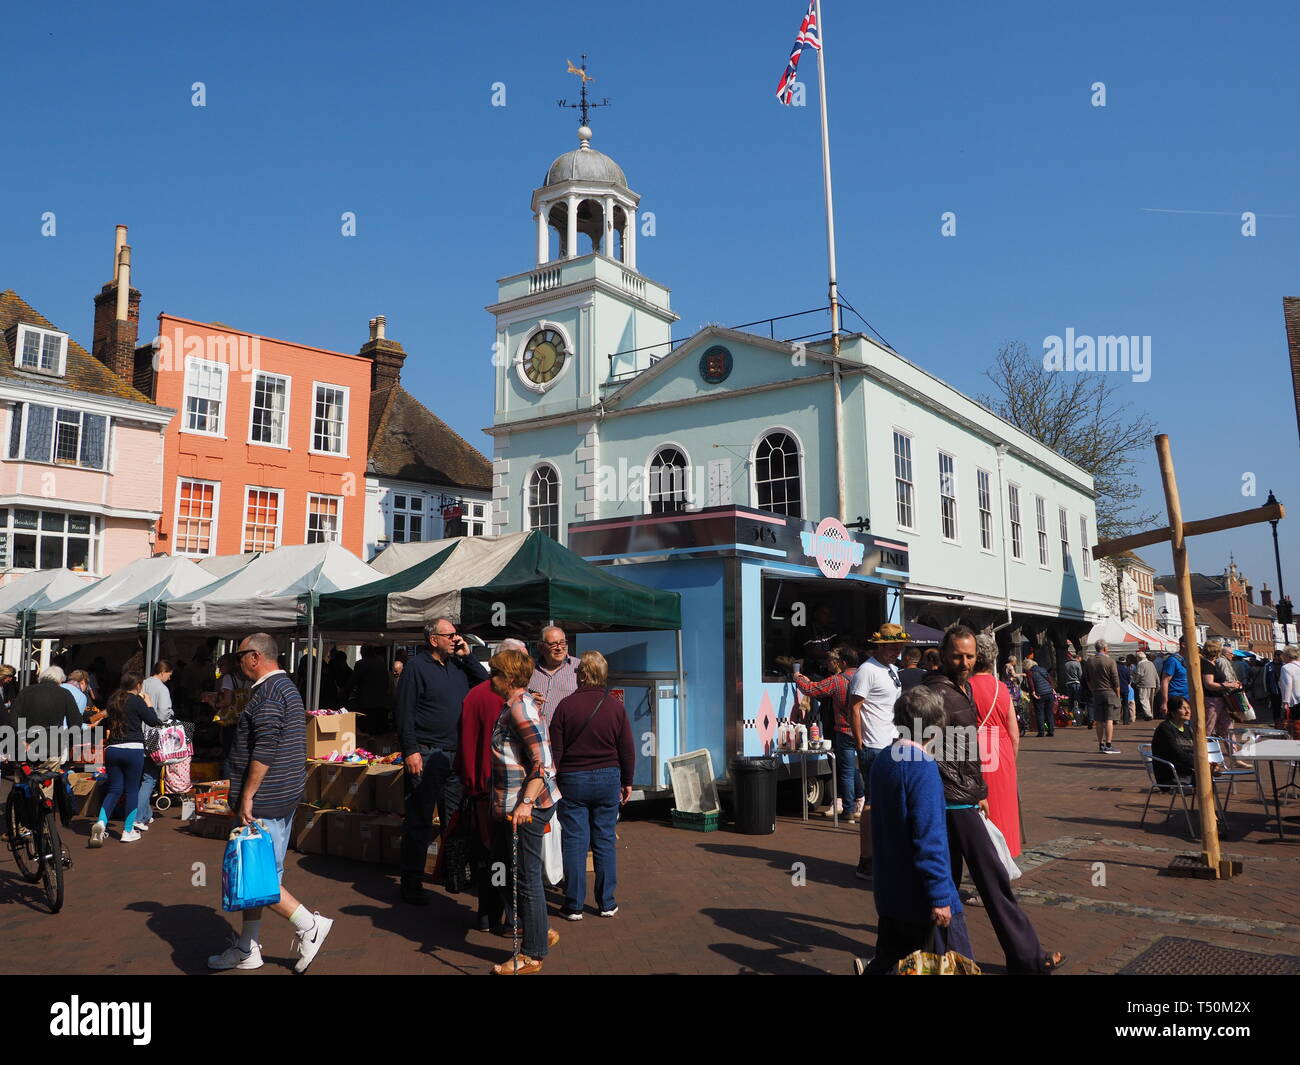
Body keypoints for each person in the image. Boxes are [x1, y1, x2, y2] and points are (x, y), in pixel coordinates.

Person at [923, 626, 1064, 974]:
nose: (965, 661)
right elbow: (937, 751)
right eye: (958, 655)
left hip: (954, 798)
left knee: (946, 883)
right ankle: (1027, 958)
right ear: (943, 654)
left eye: (970, 655)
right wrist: (974, 794)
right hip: (955, 801)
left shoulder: (959, 689)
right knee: (992, 882)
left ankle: (940, 957)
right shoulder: (942, 693)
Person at [207, 633, 333, 972]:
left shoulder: (270, 693)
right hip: (281, 794)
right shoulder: (282, 688)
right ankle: (248, 947)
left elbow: (264, 748)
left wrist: (247, 795)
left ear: (253, 657)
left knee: (258, 875)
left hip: (267, 800)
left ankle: (309, 924)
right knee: (256, 873)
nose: (236, 664)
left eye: (238, 657)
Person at [856, 684, 972, 974]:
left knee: (892, 958)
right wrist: (940, 896)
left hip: (889, 891)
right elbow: (929, 837)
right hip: (918, 896)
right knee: (953, 964)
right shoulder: (921, 765)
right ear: (934, 728)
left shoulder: (885, 758)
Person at [394, 617, 489, 906]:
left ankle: (454, 875)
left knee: (456, 821)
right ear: (433, 639)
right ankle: (411, 882)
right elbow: (404, 711)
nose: (456, 639)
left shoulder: (458, 666)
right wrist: (409, 750)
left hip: (454, 755)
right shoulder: (416, 668)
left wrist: (468, 656)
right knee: (420, 821)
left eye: (457, 635)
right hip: (424, 752)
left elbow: (486, 685)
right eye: (450, 635)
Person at [488, 647, 561, 975]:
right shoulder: (518, 704)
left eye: (495, 673)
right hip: (515, 806)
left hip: (525, 809)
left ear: (508, 678)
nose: (490, 678)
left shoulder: (520, 709)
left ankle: (532, 953)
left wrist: (526, 803)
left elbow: (543, 763)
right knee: (514, 871)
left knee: (526, 877)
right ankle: (539, 930)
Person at [550, 650, 634, 921]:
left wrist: (554, 778)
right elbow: (627, 749)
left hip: (573, 779)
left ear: (583, 674)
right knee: (605, 840)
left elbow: (556, 750)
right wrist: (628, 781)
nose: (574, 675)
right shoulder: (615, 707)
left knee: (574, 841)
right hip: (609, 777)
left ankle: (573, 904)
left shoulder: (565, 706)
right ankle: (606, 902)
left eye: (576, 671)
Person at [457, 638, 528, 933]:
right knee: (508, 858)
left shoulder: (474, 695)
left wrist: (469, 782)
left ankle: (486, 914)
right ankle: (512, 917)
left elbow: (463, 745)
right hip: (502, 790)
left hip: (479, 789)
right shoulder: (509, 699)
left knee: (486, 857)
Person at [847, 624, 906, 878]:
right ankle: (866, 859)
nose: (897, 651)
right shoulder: (867, 670)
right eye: (893, 647)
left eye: (899, 647)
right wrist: (860, 743)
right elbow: (854, 708)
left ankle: (884, 855)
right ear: (880, 645)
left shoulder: (892, 669)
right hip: (873, 746)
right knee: (872, 803)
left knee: (891, 802)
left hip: (892, 742)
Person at [90, 672, 162, 847]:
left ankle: (100, 823)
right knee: (131, 791)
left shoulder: (114, 701)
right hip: (133, 749)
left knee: (114, 789)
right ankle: (128, 830)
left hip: (113, 749)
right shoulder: (137, 701)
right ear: (138, 685)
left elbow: (101, 717)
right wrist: (150, 704)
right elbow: (154, 721)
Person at [794, 646, 862, 818]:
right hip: (867, 730)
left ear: (843, 662)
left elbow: (811, 690)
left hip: (845, 730)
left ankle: (849, 810)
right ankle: (863, 801)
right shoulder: (867, 676)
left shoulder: (837, 680)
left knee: (846, 771)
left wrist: (797, 677)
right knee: (861, 769)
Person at [970, 635, 1020, 857]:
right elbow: (1014, 731)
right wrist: (1011, 756)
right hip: (1001, 747)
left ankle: (982, 854)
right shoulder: (1001, 688)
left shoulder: (965, 687)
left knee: (977, 805)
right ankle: (1006, 850)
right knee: (1004, 805)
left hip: (974, 745)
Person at [134, 660, 175, 832]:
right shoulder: (162, 688)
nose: (170, 678)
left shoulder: (141, 684)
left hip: (137, 734)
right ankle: (138, 817)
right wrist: (171, 715)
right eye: (169, 675)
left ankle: (146, 812)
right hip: (154, 735)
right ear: (164, 672)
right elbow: (164, 712)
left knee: (141, 777)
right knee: (150, 778)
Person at [529, 626, 580, 728]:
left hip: (568, 736)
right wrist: (528, 699)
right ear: (541, 647)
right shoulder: (529, 670)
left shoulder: (579, 667)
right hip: (536, 736)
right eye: (553, 644)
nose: (559, 648)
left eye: (562, 643)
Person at [1200, 640, 1241, 749]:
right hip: (1212, 700)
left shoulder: (1213, 663)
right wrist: (1227, 685)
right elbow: (1209, 684)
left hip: (1220, 699)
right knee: (1208, 728)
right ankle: (1205, 755)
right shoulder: (1206, 664)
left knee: (1227, 727)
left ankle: (1235, 756)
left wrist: (1229, 684)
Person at [1084, 640, 1122, 754]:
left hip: (1096, 693)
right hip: (1109, 692)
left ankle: (1100, 744)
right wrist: (1118, 694)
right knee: (1109, 719)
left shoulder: (1089, 661)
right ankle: (1108, 744)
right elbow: (1115, 680)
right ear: (1105, 649)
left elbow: (1087, 678)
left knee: (1099, 720)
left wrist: (1092, 689)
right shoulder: (1110, 661)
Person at [1150, 696, 1196, 786]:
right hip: (1171, 774)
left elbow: (1197, 750)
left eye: (1189, 708)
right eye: (1183, 708)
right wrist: (1199, 764)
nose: (1188, 712)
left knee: (1208, 778)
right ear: (1173, 712)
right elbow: (1177, 754)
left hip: (1189, 770)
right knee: (1204, 780)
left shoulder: (1188, 729)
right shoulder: (1165, 728)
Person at [350, 645, 395, 736]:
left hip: (367, 703)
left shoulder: (361, 664)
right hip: (381, 704)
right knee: (379, 733)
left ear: (363, 653)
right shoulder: (381, 663)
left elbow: (353, 681)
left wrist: (344, 691)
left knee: (367, 732)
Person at [1024, 651, 1056, 738]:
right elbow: (1049, 679)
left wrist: (1033, 692)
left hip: (1039, 694)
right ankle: (1051, 730)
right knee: (1049, 712)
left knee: (1040, 713)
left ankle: (1041, 732)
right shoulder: (1043, 669)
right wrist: (1052, 689)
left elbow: (1031, 684)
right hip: (1049, 692)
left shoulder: (1030, 672)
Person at [1160, 636, 1190, 726]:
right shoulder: (1173, 660)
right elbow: (1165, 681)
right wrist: (1164, 702)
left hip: (1189, 699)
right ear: (1183, 645)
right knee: (1177, 727)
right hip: (1176, 700)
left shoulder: (1190, 660)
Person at [1277, 646, 1300, 737]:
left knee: (1296, 724)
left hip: (1296, 701)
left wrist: (1285, 701)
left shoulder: (1286, 668)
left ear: (1287, 656)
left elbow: (1288, 684)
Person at [1132, 651, 1159, 721]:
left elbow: (1139, 674)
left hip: (1144, 684)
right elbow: (1156, 674)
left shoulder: (1141, 664)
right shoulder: (1151, 663)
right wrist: (1158, 684)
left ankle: (1148, 714)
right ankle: (1150, 714)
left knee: (1143, 699)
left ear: (1139, 658)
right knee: (1150, 701)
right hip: (1153, 684)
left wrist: (1135, 681)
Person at [1265, 650, 1285, 728]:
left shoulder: (1284, 665)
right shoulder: (1268, 665)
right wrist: (1267, 690)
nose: (1280, 657)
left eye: (1281, 655)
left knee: (1284, 708)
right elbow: (1265, 678)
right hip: (1274, 690)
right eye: (1279, 655)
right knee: (1276, 708)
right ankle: (1277, 724)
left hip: (1283, 690)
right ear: (1275, 656)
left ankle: (1284, 723)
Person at [1118, 656, 1135, 725]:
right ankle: (1125, 721)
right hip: (1125, 688)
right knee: (1125, 705)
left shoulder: (1116, 669)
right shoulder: (1126, 670)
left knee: (1117, 705)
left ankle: (1116, 719)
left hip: (1117, 688)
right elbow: (1129, 680)